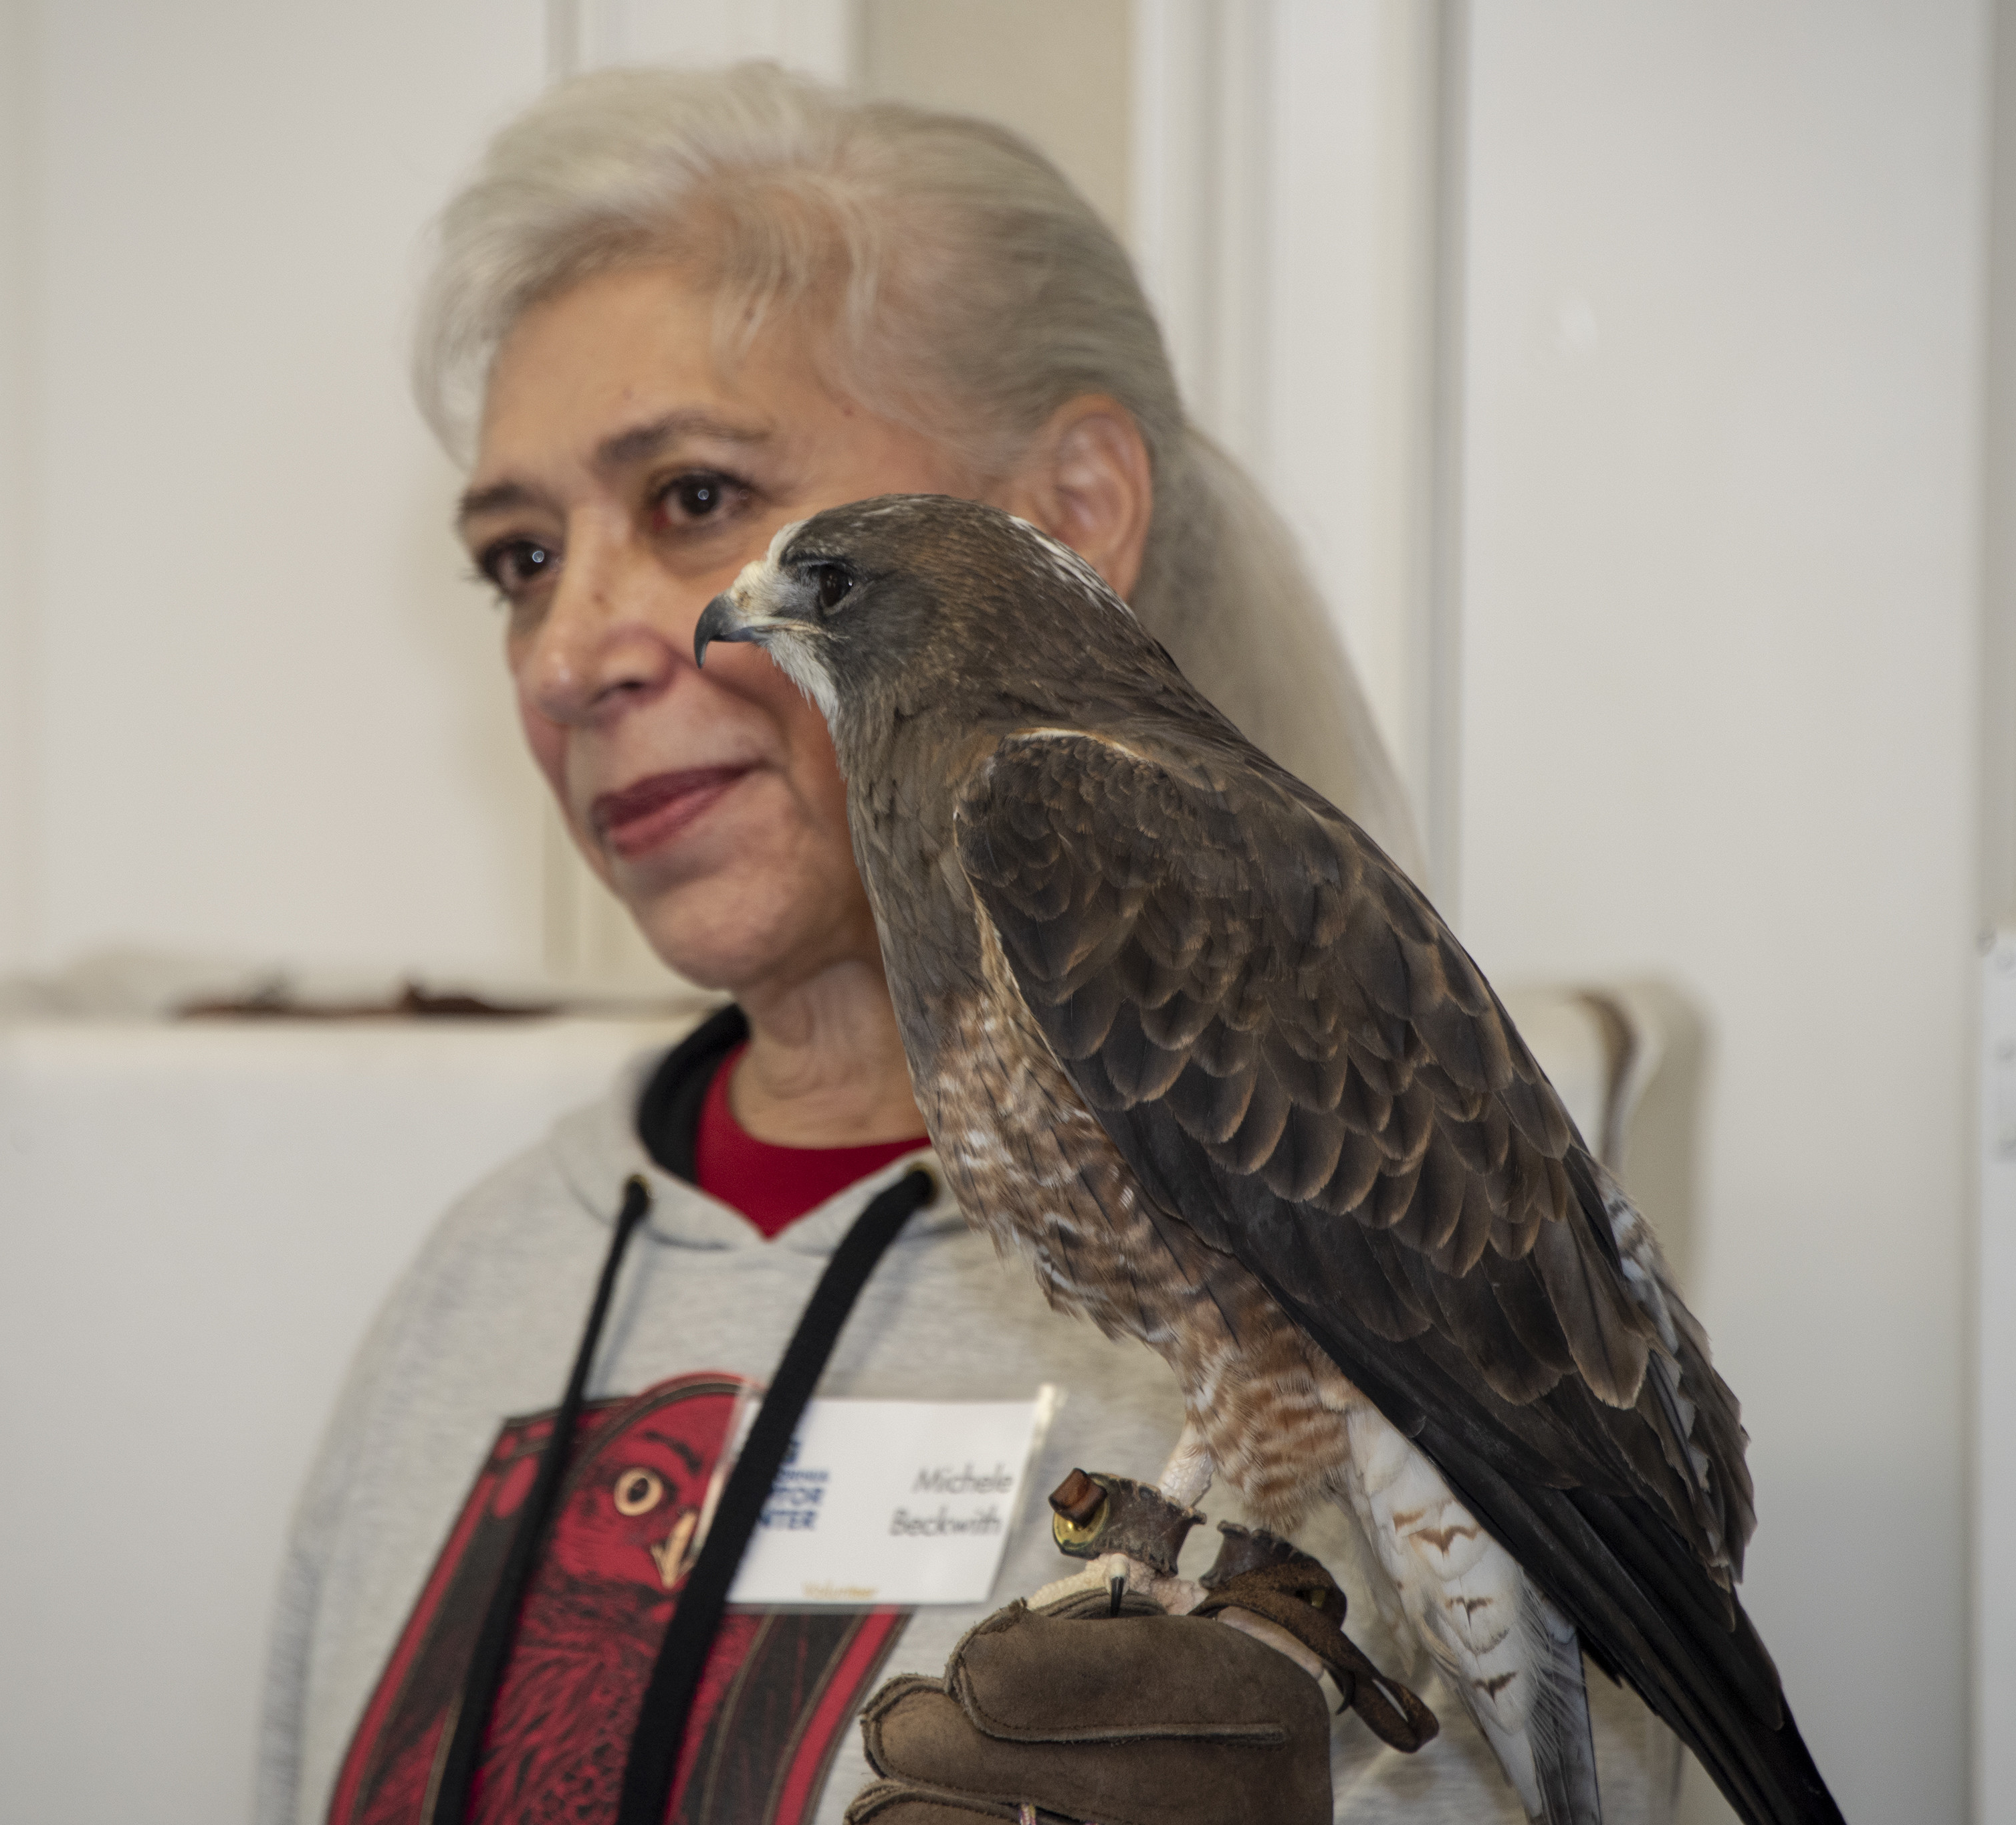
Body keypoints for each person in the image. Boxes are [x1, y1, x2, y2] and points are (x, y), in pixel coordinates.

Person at [255, 62, 1678, 1825]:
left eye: (697, 495)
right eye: (520, 557)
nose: (576, 649)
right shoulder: (476, 1289)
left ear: (1072, 511)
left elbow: (1590, 1752)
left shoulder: (1383, 1170)